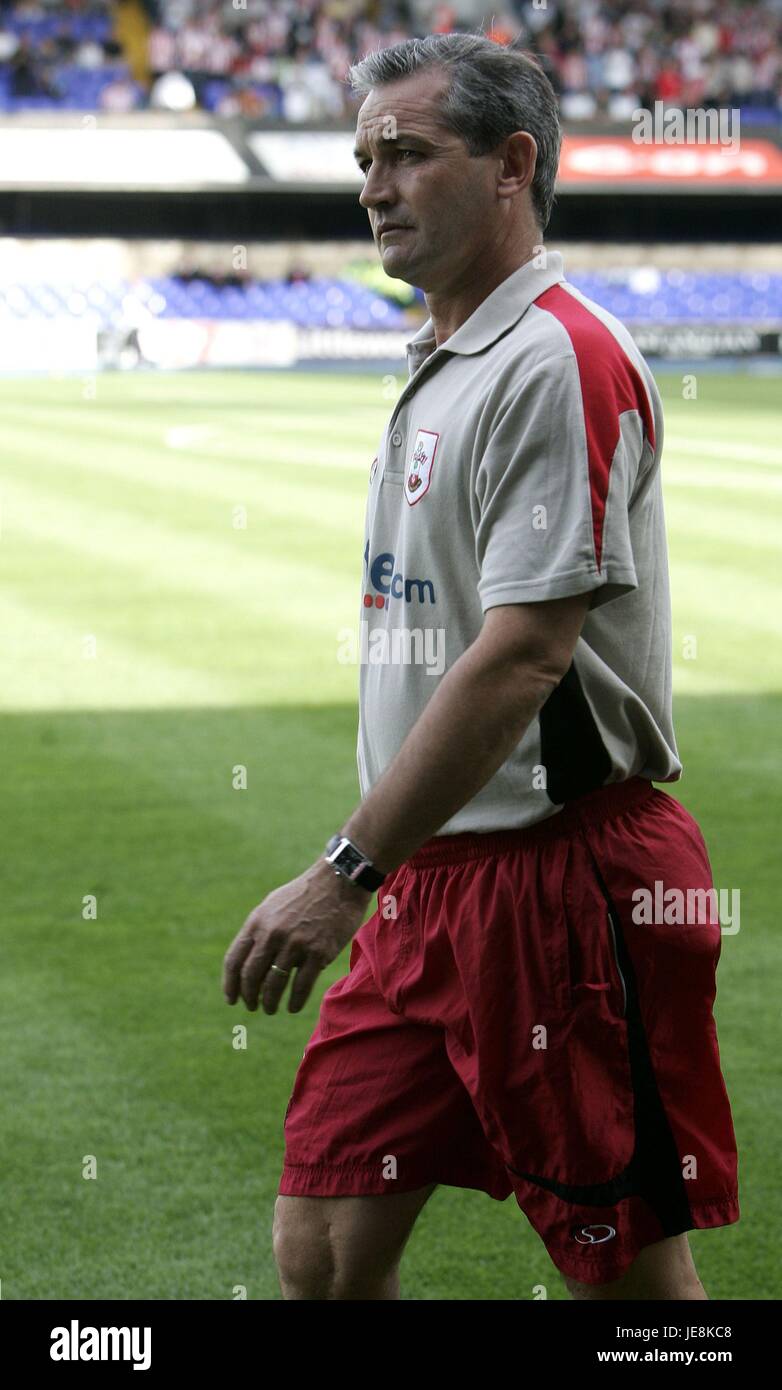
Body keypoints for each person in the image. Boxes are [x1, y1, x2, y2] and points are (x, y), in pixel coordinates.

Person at [222, 32, 739, 1302]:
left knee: (627, 1283)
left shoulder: (558, 356)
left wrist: (346, 869)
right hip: (430, 883)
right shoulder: (453, 359)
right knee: (325, 1250)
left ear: (513, 165)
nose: (372, 186)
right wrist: (384, 872)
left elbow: (520, 656)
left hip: (556, 883)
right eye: (362, 160)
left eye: (406, 153)